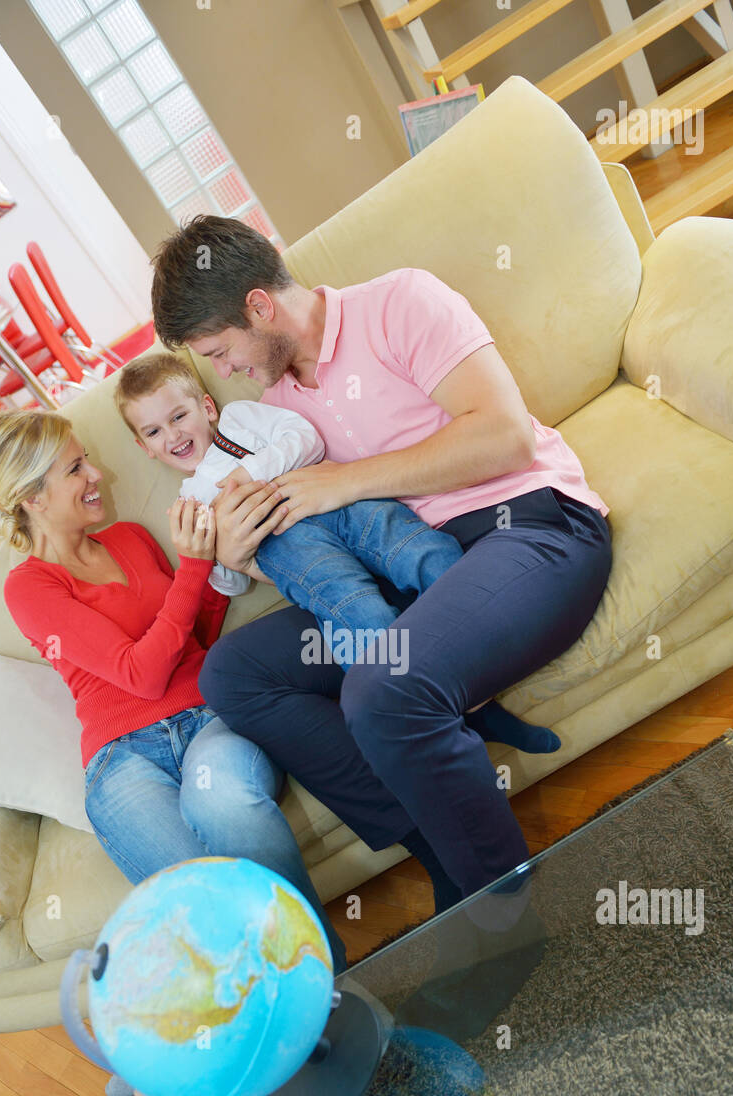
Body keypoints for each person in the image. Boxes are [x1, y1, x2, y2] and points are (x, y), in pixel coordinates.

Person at [150, 216, 614, 916]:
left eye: (219, 350)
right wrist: (242, 552)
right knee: (234, 675)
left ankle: (504, 912)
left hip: (527, 525)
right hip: (404, 571)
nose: (222, 372)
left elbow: (505, 436)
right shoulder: (270, 414)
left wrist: (346, 479)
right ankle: (439, 847)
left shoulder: (399, 303)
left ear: (258, 306)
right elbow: (319, 558)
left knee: (380, 687)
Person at [0, 407, 348, 973]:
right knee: (206, 902)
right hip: (122, 761)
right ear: (34, 498)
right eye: (76, 469)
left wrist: (219, 564)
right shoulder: (29, 587)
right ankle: (286, 1017)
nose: (96, 474)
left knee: (223, 804)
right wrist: (195, 567)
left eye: (87, 460)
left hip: (208, 718)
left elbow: (191, 636)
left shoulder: (129, 538)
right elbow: (140, 673)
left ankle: (329, 973)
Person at [115, 353, 559, 750]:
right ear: (143, 448)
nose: (172, 434)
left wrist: (250, 474)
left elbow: (304, 438)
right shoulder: (189, 504)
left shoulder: (239, 421)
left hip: (336, 499)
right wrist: (213, 556)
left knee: (424, 552)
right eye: (154, 431)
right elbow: (228, 584)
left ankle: (487, 677)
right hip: (290, 545)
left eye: (179, 416)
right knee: (357, 614)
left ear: (206, 408)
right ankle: (450, 722)